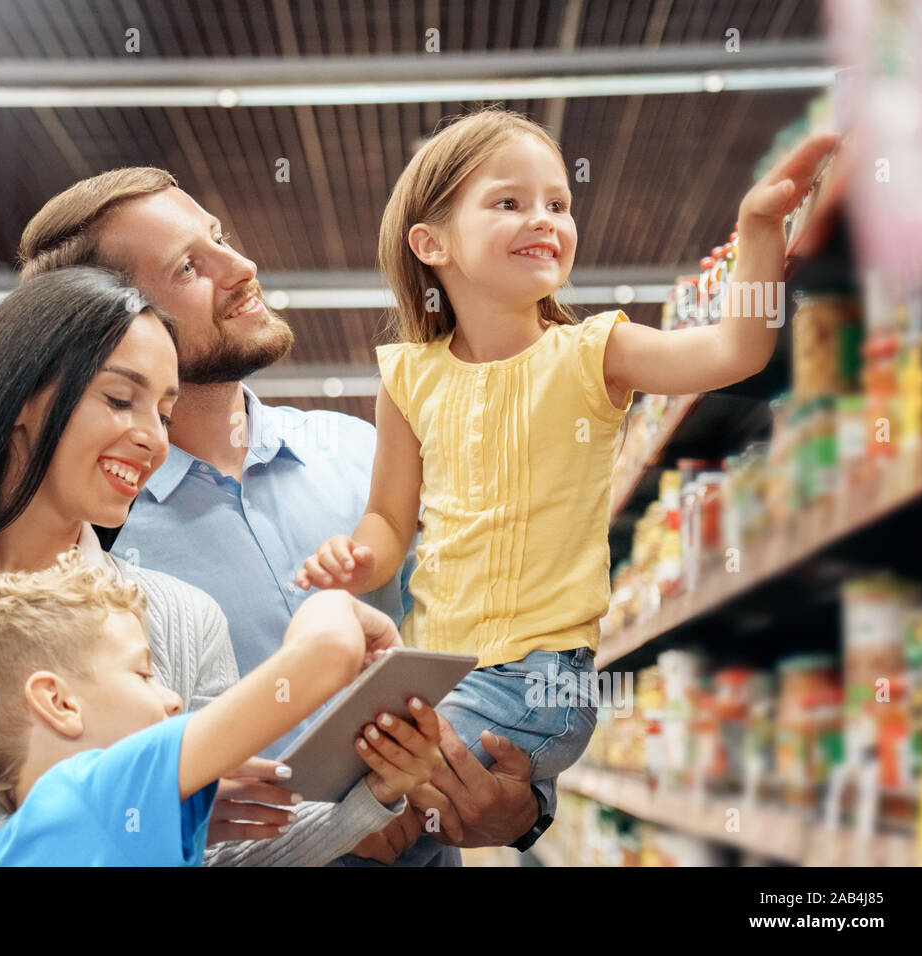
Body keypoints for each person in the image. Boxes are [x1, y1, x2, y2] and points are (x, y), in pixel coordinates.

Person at [295, 107, 839, 854]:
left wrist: (760, 229)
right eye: (510, 202)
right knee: (360, 812)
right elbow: (389, 521)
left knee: (359, 810)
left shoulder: (593, 353)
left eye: (558, 203)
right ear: (432, 243)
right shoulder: (408, 377)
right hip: (437, 670)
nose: (545, 218)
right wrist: (357, 558)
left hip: (541, 682)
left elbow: (735, 351)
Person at [0, 266, 406, 866]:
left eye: (164, 412)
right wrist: (147, 809)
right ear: (19, 396)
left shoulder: (180, 615)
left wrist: (368, 795)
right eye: (120, 398)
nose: (153, 438)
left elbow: (210, 853)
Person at [17, 168, 548, 865]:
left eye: (220, 238)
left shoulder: (364, 458)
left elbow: (492, 628)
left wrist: (527, 800)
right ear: (111, 324)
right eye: (190, 266)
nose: (242, 267)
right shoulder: (89, 549)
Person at [0, 551, 440, 866]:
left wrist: (374, 793)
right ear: (59, 703)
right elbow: (326, 656)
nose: (173, 697)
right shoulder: (90, 792)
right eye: (142, 672)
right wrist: (333, 602)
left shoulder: (38, 841)